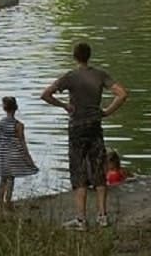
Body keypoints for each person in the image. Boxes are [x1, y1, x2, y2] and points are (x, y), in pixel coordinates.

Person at [41, 42, 129, 231]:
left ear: (75, 57)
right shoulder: (100, 75)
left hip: (77, 128)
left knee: (78, 171)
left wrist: (64, 105)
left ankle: (81, 219)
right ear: (89, 56)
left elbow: (46, 94)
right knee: (98, 170)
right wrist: (106, 112)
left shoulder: (70, 77)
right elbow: (122, 94)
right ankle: (102, 216)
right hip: (95, 127)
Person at [0, 96, 38, 210]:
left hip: (3, 154)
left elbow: (0, 140)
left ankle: (0, 202)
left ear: (4, 108)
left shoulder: (1, 123)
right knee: (11, 179)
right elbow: (22, 143)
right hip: (14, 154)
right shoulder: (19, 125)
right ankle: (8, 202)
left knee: (3, 179)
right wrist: (28, 158)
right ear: (16, 108)